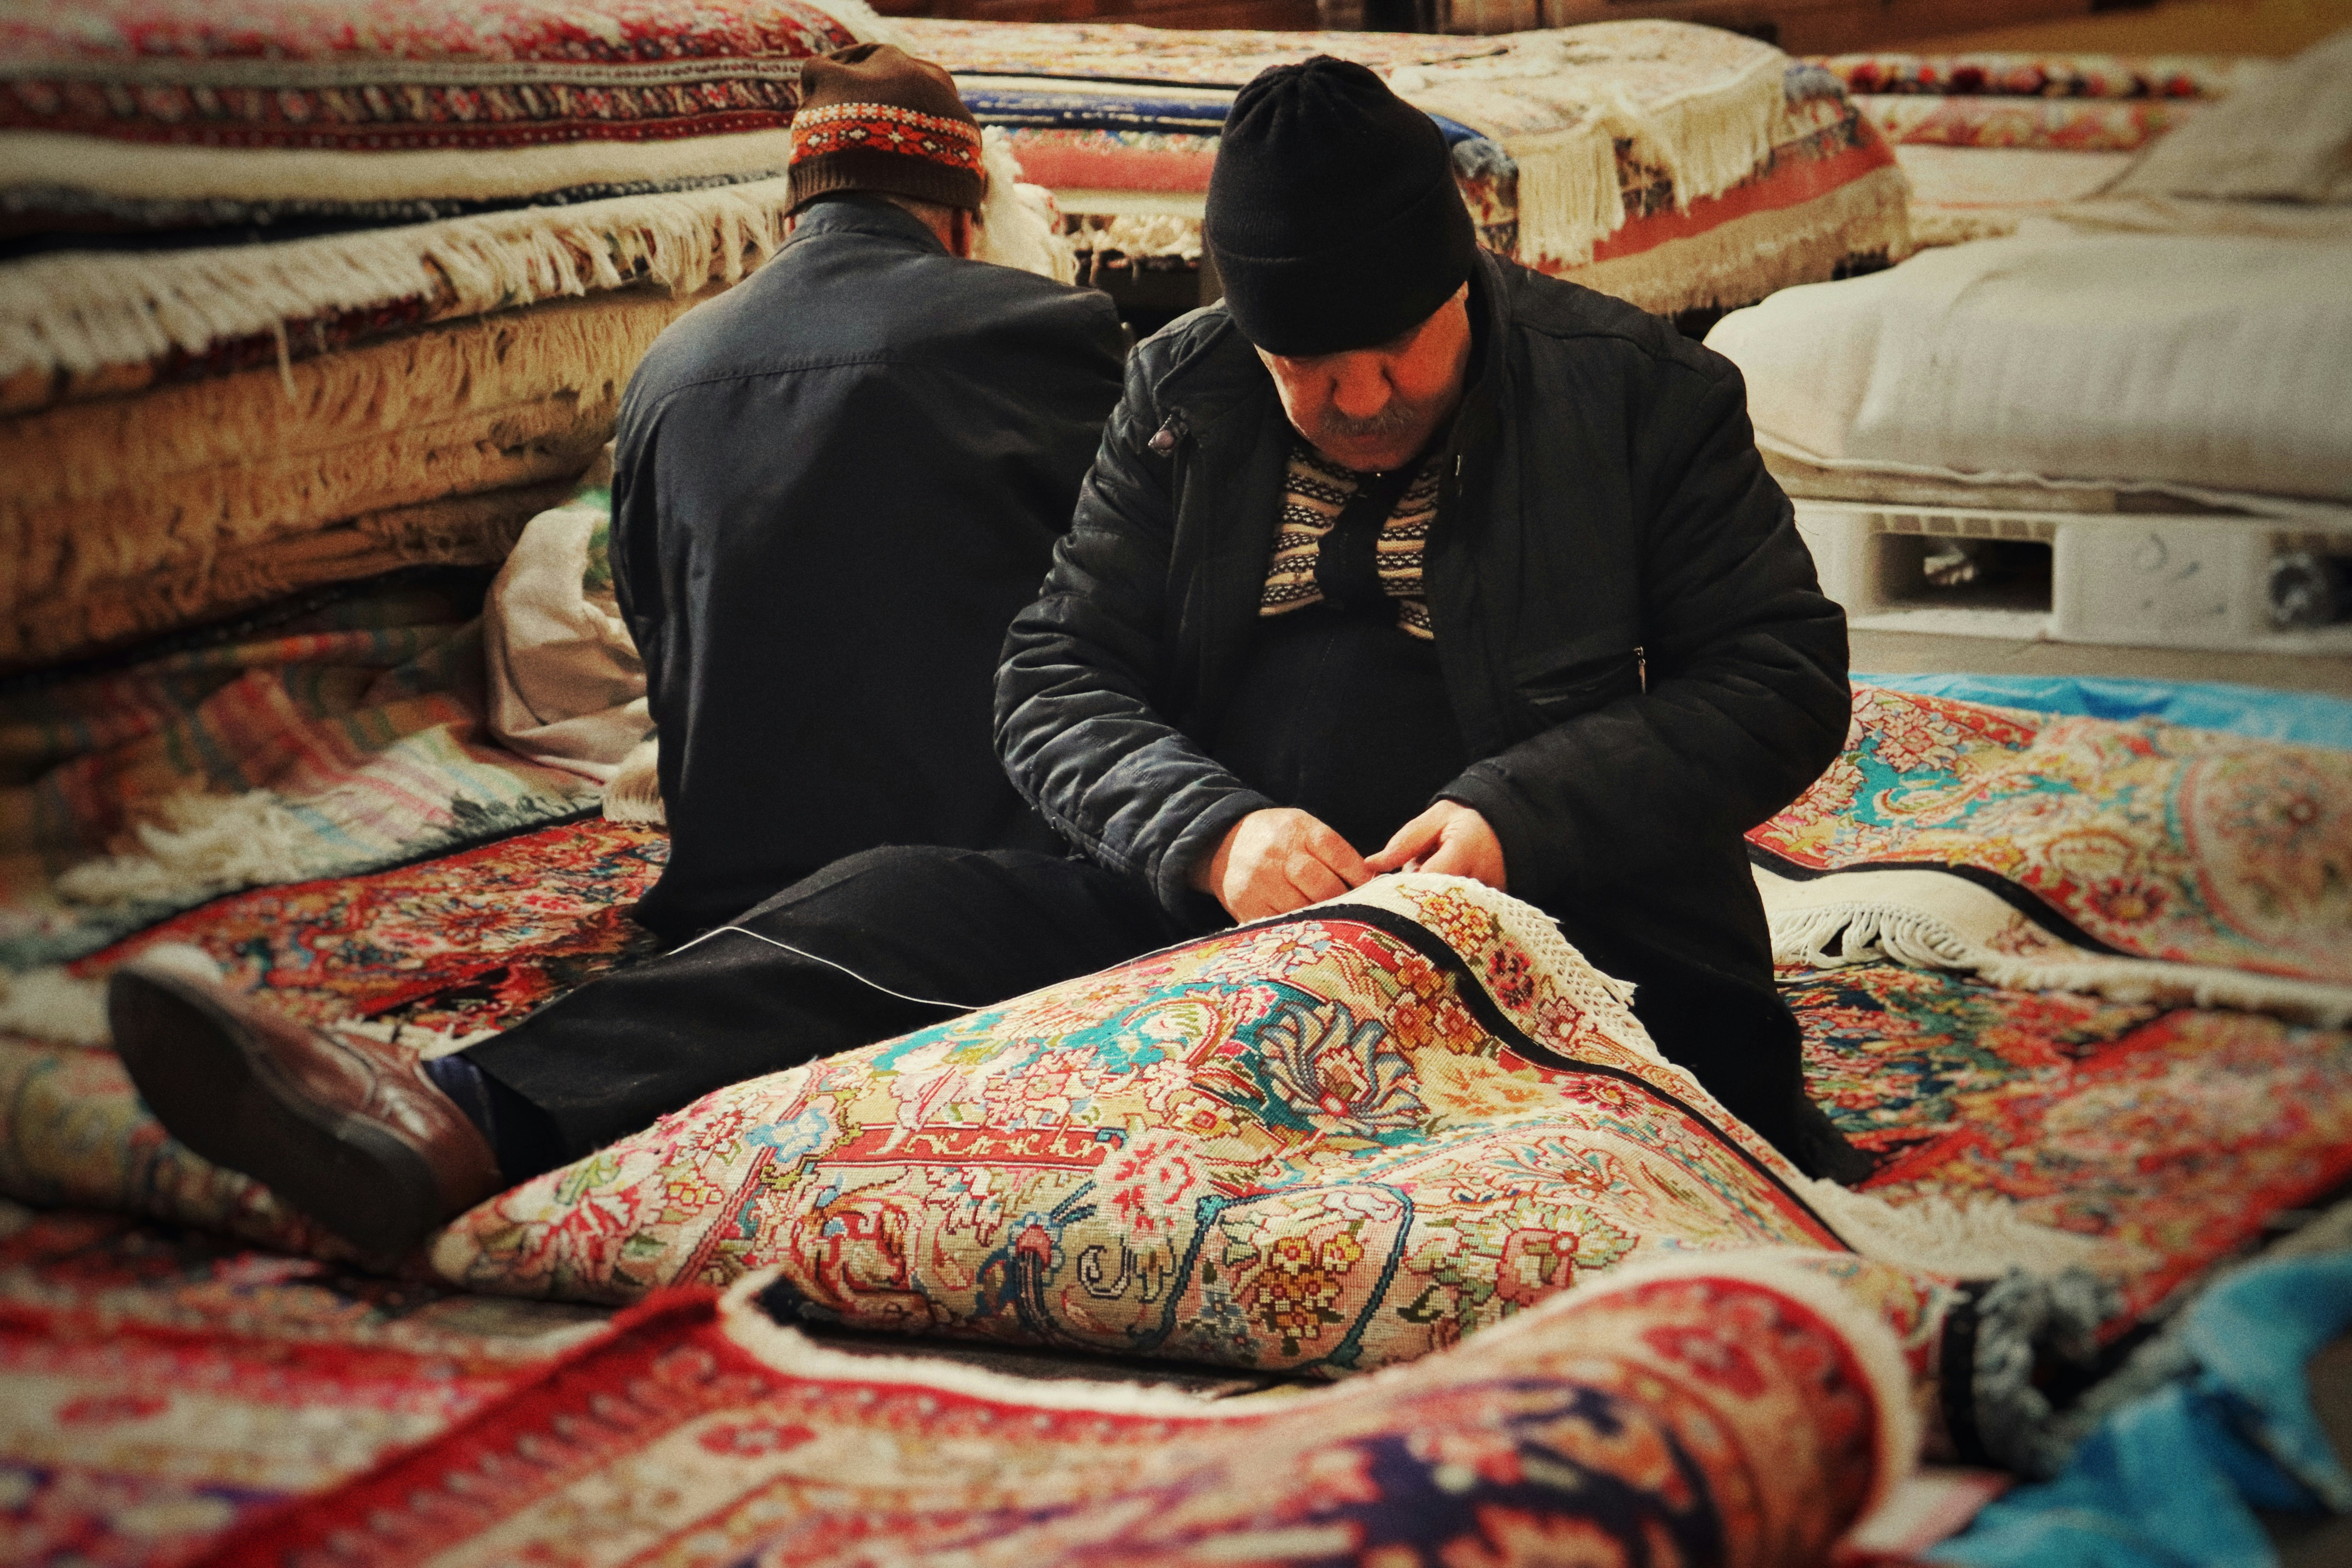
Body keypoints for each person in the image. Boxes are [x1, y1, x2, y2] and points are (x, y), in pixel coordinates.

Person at [109, 58, 1866, 1259]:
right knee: (875, 908)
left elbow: (1781, 675)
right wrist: (1209, 832)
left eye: (1385, 359)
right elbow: (1053, 677)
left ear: (1460, 282)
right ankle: (452, 1118)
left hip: (1555, 932)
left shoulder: (1642, 396)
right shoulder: (1179, 391)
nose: (1345, 405)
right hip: (1244, 903)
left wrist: (1510, 818)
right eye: (1298, 369)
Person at [610, 43, 1125, 941]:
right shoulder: (1045, 330)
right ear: (964, 222)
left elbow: (656, 625)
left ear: (794, 214)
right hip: (978, 901)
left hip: (730, 909)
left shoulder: (665, 371)